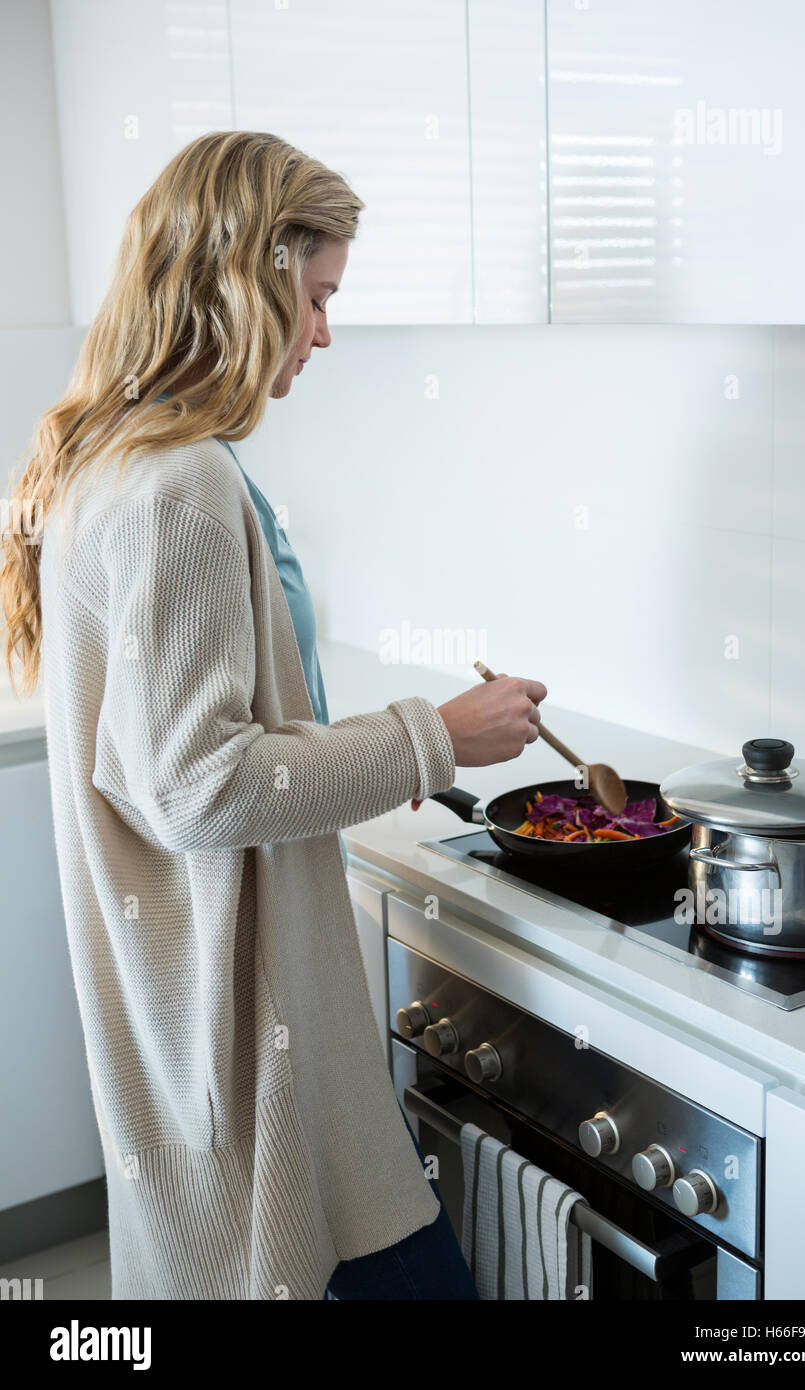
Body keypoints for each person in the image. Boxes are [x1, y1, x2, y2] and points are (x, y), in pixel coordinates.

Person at [0, 130, 546, 1300]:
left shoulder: (104, 455)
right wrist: (432, 735)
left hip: (189, 1023)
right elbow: (200, 787)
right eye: (315, 297)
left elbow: (178, 749)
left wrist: (362, 747)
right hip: (247, 1037)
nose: (324, 333)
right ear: (240, 278)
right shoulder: (181, 482)